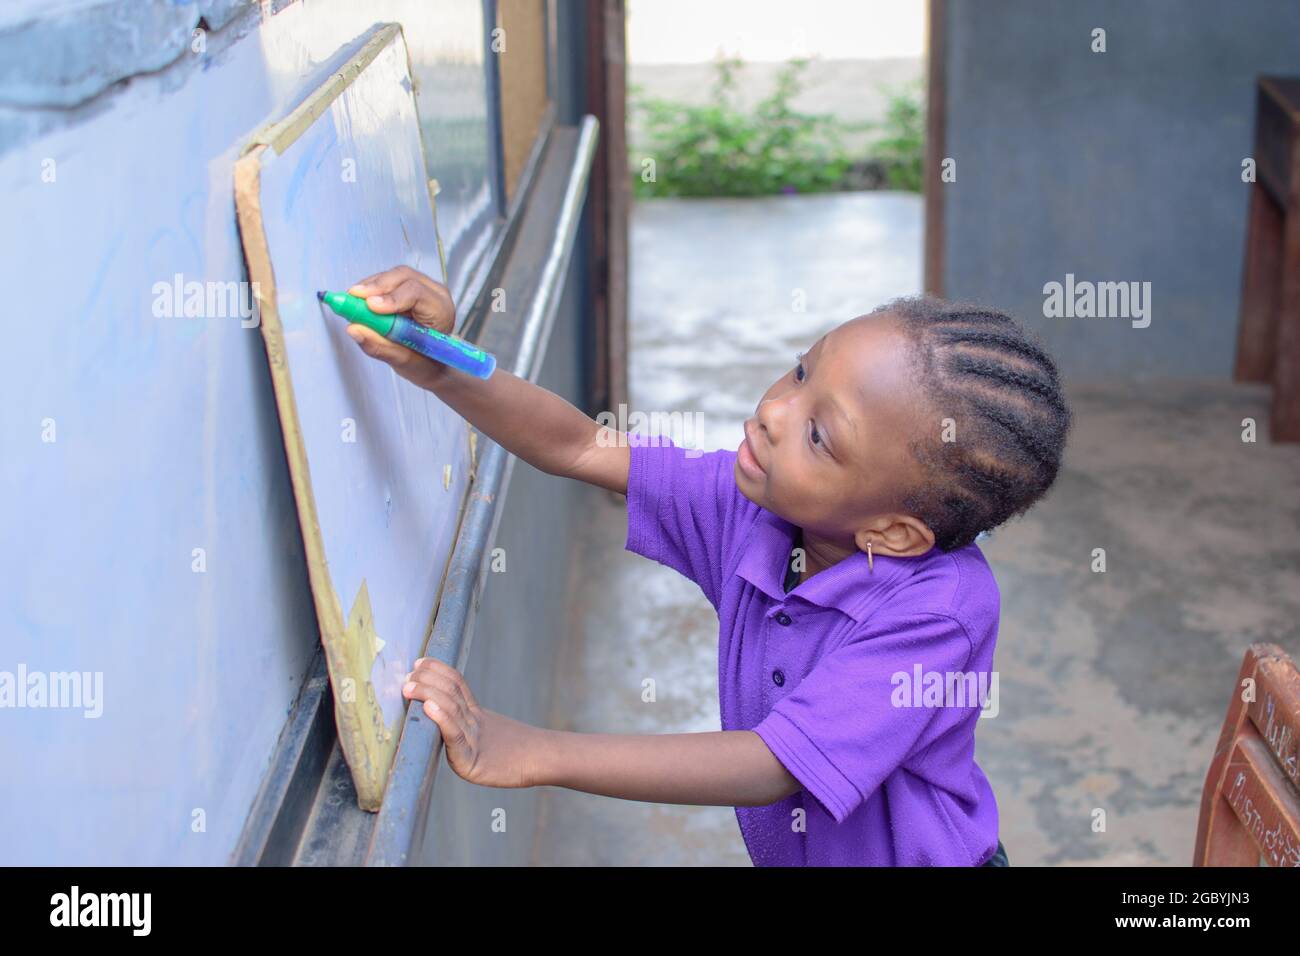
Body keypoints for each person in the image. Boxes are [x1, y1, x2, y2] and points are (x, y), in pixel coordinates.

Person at [344, 266, 1069, 866]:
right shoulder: (756, 506)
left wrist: (532, 751)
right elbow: (579, 447)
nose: (774, 411)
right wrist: (441, 366)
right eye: (800, 370)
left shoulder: (938, 614)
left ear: (894, 531)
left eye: (819, 435)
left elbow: (774, 764)